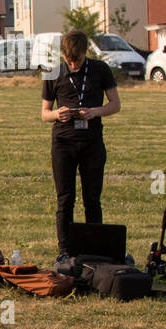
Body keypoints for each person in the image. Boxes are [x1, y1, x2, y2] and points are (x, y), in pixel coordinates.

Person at [41, 29, 120, 258]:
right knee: (65, 200)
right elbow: (44, 113)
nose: (74, 65)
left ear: (86, 53)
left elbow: (115, 104)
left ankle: (94, 250)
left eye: (78, 61)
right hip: (64, 143)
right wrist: (58, 114)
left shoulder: (100, 70)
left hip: (92, 143)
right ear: (63, 56)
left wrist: (96, 111)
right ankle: (65, 250)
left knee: (92, 200)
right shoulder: (52, 73)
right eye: (69, 61)